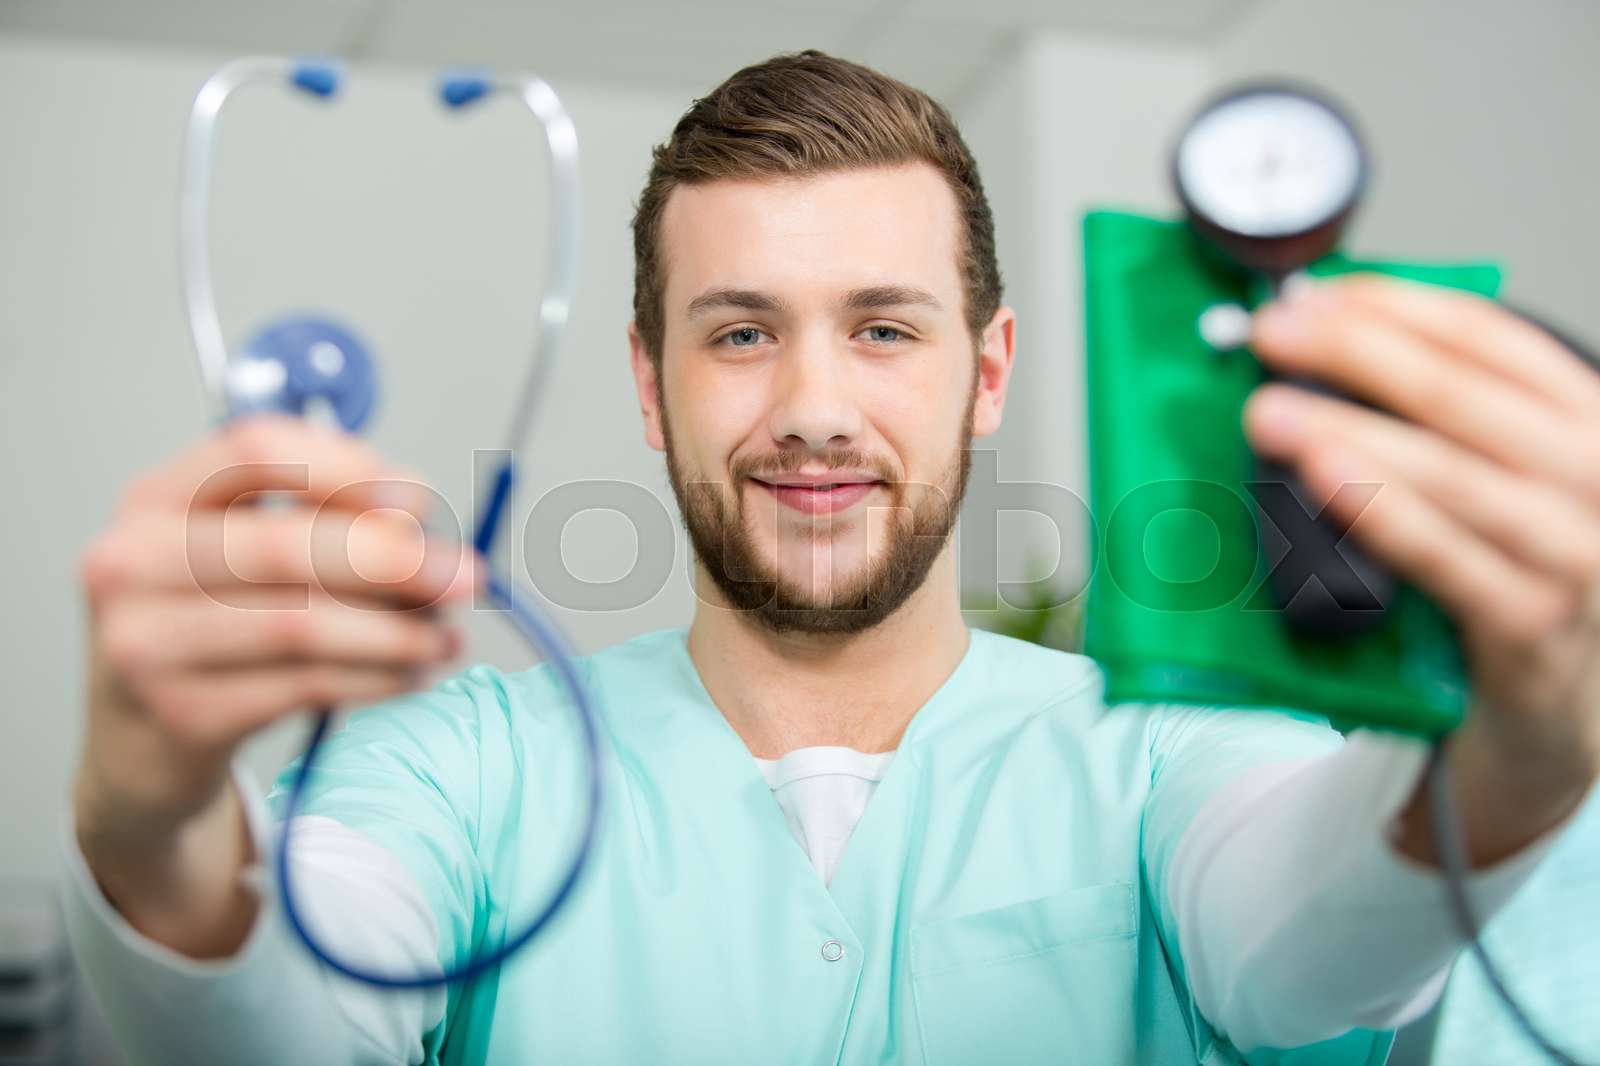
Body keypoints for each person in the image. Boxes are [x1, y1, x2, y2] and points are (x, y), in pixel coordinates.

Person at [64, 50, 1600, 1066]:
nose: (811, 409)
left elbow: (1306, 937)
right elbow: (279, 1016)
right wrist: (150, 814)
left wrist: (1523, 749)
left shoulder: (1166, 747)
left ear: (986, 372)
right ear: (652, 379)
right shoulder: (466, 766)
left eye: (882, 328)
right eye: (740, 333)